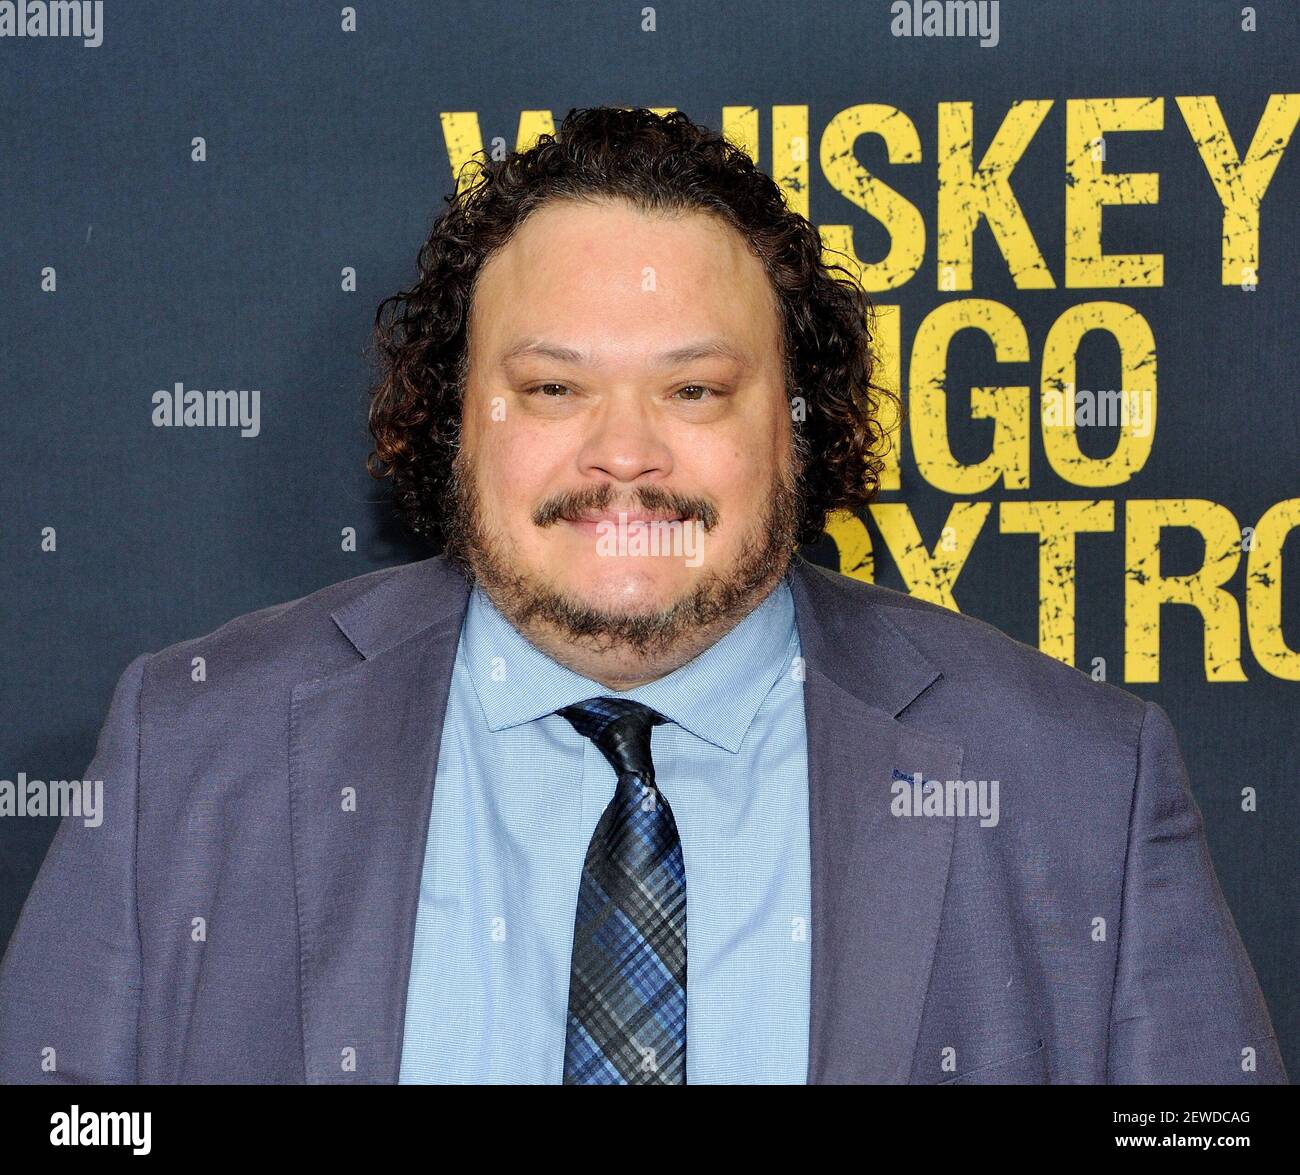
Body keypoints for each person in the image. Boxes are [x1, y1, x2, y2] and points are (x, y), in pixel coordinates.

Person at [0, 107, 1284, 1084]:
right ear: (453, 421)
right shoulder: (193, 745)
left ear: (798, 425)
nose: (623, 453)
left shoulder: (1074, 782)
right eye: (553, 389)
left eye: (694, 390)